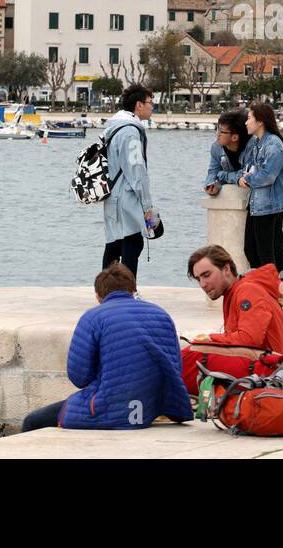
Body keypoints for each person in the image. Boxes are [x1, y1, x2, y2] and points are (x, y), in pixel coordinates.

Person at [20, 264, 191, 431]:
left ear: (98, 297)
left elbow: (79, 377)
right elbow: (175, 366)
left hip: (111, 409)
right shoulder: (162, 315)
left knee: (32, 421)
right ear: (133, 290)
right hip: (152, 408)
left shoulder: (93, 318)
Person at [180, 244, 283, 395]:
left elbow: (249, 339)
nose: (203, 284)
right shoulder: (234, 292)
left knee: (188, 358)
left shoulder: (248, 291)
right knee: (187, 355)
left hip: (268, 370)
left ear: (226, 269)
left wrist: (210, 338)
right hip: (261, 364)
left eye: (206, 275)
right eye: (198, 279)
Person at [102, 84, 155, 280]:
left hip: (113, 195)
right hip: (127, 197)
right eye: (150, 103)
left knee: (115, 245)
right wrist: (147, 205)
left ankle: (106, 292)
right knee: (133, 243)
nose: (152, 107)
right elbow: (136, 170)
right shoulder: (130, 132)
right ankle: (127, 293)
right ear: (139, 105)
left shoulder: (114, 127)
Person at [238, 102, 283, 287]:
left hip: (270, 205)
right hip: (256, 204)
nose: (246, 122)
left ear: (260, 121)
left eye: (249, 118)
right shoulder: (256, 143)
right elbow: (248, 165)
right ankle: (267, 287)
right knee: (251, 249)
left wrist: (248, 180)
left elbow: (268, 176)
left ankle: (277, 289)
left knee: (269, 251)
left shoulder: (273, 145)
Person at [204, 108, 248, 196]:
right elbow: (213, 172)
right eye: (217, 130)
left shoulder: (251, 148)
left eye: (221, 132)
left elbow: (245, 175)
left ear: (234, 137)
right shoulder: (216, 147)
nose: (217, 134)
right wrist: (211, 184)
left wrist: (222, 175)